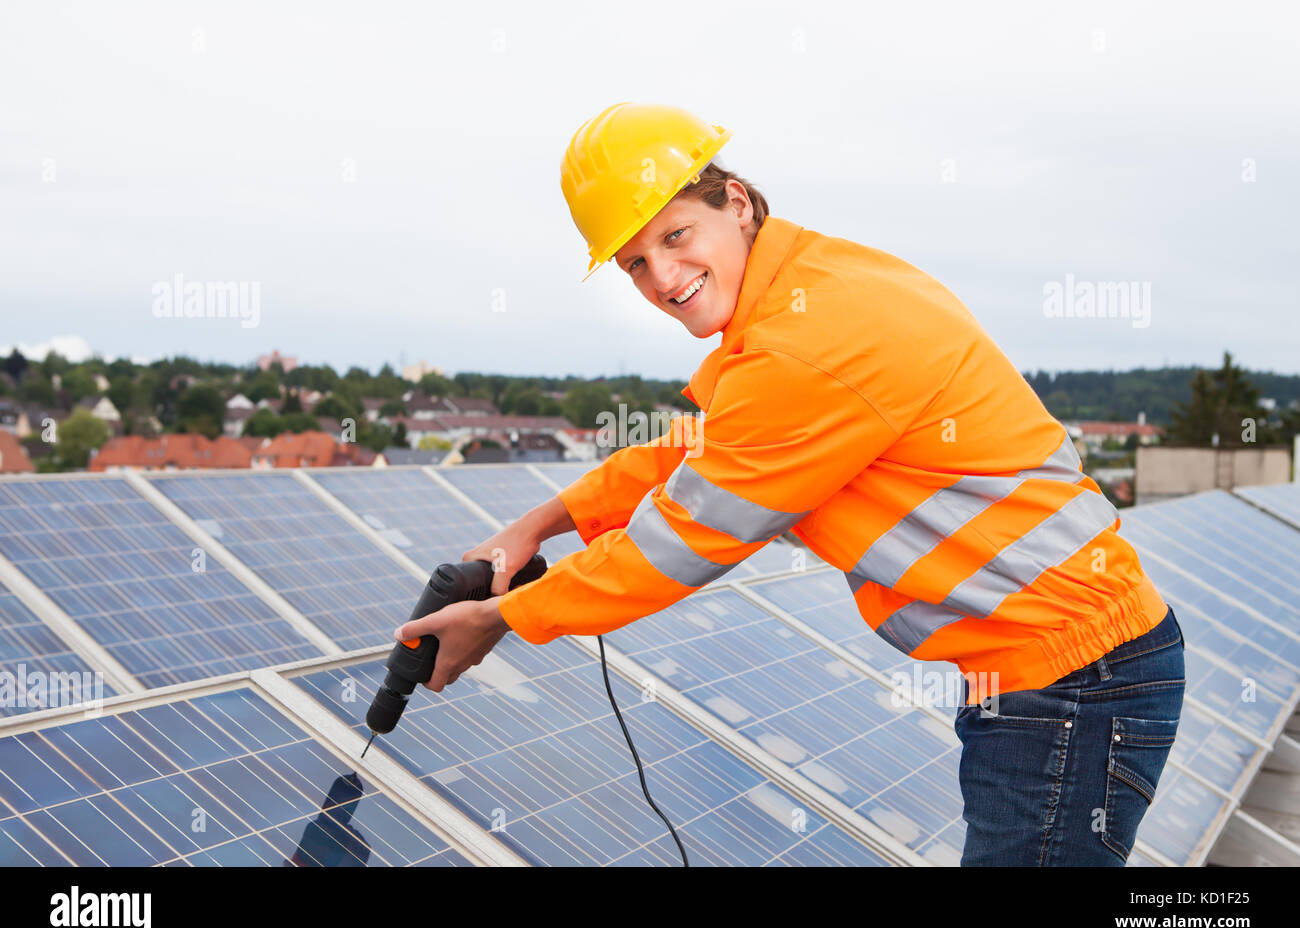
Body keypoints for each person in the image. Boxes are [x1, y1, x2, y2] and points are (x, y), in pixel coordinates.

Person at [393, 102, 1186, 866]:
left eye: (676, 236)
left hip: (1077, 680)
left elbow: (681, 541)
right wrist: (544, 522)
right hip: (1067, 667)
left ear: (734, 201)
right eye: (636, 262)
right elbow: (702, 445)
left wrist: (504, 616)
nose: (664, 277)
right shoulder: (809, 288)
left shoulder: (809, 339)